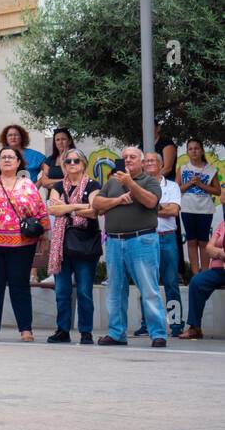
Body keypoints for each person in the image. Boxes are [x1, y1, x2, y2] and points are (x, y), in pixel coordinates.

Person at [89, 147, 166, 348]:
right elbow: (96, 203)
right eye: (124, 158)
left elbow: (151, 202)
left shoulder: (150, 181)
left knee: (148, 289)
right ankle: (116, 333)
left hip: (141, 240)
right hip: (114, 241)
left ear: (141, 162)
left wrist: (130, 183)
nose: (128, 160)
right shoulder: (112, 181)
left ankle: (158, 334)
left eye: (132, 157)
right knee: (115, 290)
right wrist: (117, 200)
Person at [0, 147, 49, 342]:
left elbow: (41, 211)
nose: (7, 160)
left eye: (11, 157)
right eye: (3, 157)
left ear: (19, 162)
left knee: (20, 284)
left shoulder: (28, 185)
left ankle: (25, 329)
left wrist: (45, 236)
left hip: (22, 242)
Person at [45, 149, 102, 344]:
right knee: (62, 291)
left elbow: (94, 211)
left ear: (83, 163)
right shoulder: (58, 185)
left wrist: (66, 207)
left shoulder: (94, 185)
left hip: (86, 244)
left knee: (84, 291)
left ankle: (86, 331)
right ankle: (63, 330)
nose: (71, 163)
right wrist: (79, 206)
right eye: (67, 161)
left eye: (75, 160)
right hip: (62, 247)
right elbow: (52, 209)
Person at [136, 151, 184, 338]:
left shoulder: (171, 186)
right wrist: (161, 206)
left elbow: (173, 211)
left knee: (171, 282)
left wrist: (150, 205)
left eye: (152, 160)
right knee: (146, 284)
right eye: (145, 161)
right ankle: (147, 324)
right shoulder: (138, 185)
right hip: (146, 237)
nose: (148, 163)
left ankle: (176, 324)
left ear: (161, 164)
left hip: (166, 238)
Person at [178, 138, 220, 276]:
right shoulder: (183, 168)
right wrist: (190, 183)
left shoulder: (210, 169)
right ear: (187, 152)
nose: (194, 151)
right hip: (187, 209)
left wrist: (201, 185)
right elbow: (177, 189)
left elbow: (217, 191)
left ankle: (205, 273)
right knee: (191, 241)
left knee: (203, 242)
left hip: (205, 210)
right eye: (190, 149)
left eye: (196, 148)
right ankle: (196, 275)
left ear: (202, 151)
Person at [179, 220, 224, 340]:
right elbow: (209, 248)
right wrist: (220, 253)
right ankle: (195, 328)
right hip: (218, 270)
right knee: (197, 281)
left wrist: (217, 252)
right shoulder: (223, 224)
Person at [37, 128, 78, 195]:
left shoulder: (76, 158)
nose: (60, 142)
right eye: (57, 140)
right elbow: (44, 182)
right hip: (52, 200)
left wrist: (62, 162)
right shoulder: (50, 160)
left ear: (69, 141)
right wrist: (64, 181)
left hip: (72, 198)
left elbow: (74, 181)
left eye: (63, 139)